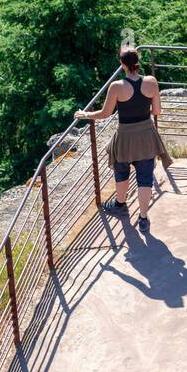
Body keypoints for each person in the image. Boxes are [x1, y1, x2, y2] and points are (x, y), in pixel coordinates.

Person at [75, 46, 172, 234]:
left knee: (121, 172)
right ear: (138, 61)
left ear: (122, 64)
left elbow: (105, 113)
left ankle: (120, 205)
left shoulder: (117, 86)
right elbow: (157, 111)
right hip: (146, 136)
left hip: (125, 137)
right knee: (145, 179)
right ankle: (143, 219)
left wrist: (85, 114)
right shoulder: (151, 82)